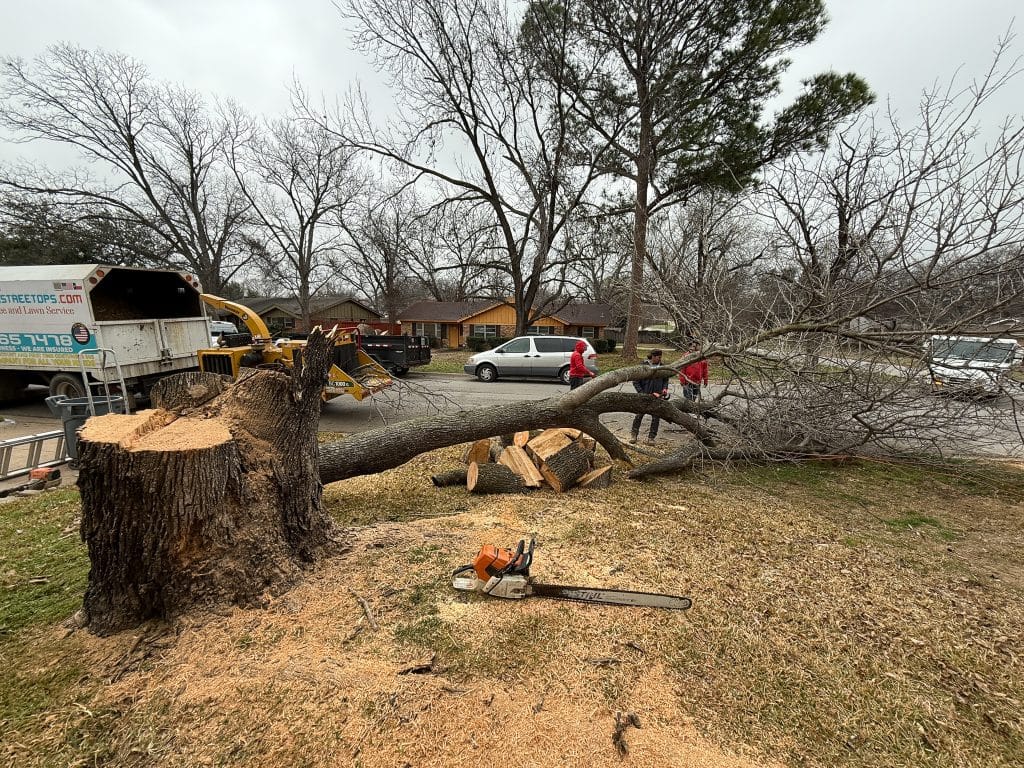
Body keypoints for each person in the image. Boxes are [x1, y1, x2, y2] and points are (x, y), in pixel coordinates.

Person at [630, 349, 669, 444]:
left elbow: (665, 380)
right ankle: (634, 434)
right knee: (639, 415)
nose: (660, 359)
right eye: (658, 357)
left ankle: (651, 437)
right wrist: (642, 393)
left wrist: (664, 388)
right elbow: (635, 381)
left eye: (661, 357)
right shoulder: (643, 366)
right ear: (653, 356)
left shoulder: (662, 367)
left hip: (658, 396)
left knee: (656, 417)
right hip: (644, 395)